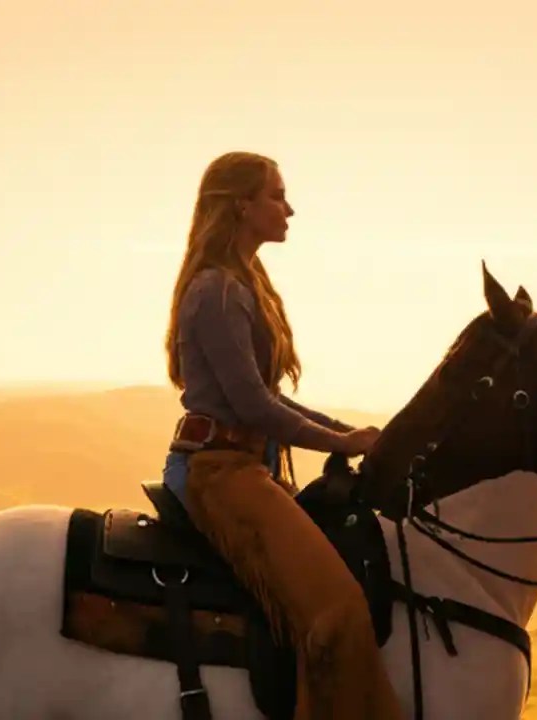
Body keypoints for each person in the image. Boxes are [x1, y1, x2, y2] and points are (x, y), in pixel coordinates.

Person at [161, 151, 403, 719]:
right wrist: (342, 445)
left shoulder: (243, 284)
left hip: (244, 465)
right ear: (243, 206)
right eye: (277, 196)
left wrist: (349, 432)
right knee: (337, 611)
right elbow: (251, 404)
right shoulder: (219, 291)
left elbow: (264, 397)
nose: (289, 209)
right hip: (218, 471)